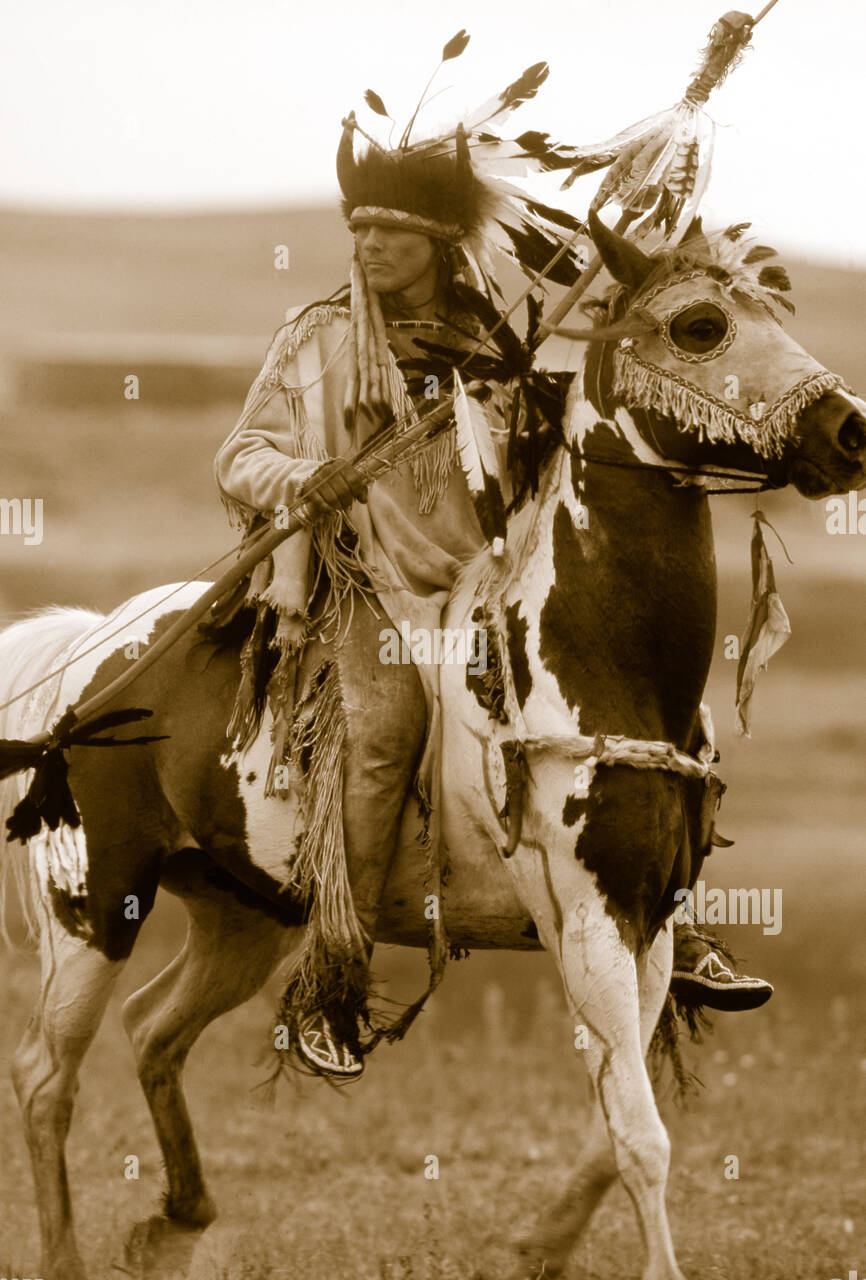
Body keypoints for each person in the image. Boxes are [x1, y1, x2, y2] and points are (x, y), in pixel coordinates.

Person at [214, 66, 772, 1078]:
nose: (368, 243)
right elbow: (239, 459)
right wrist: (309, 474)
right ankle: (332, 974)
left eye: (390, 230)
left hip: (494, 585)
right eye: (359, 228)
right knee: (383, 730)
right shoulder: (318, 338)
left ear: (438, 243)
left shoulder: (503, 351)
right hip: (371, 585)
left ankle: (668, 919)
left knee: (658, 718)